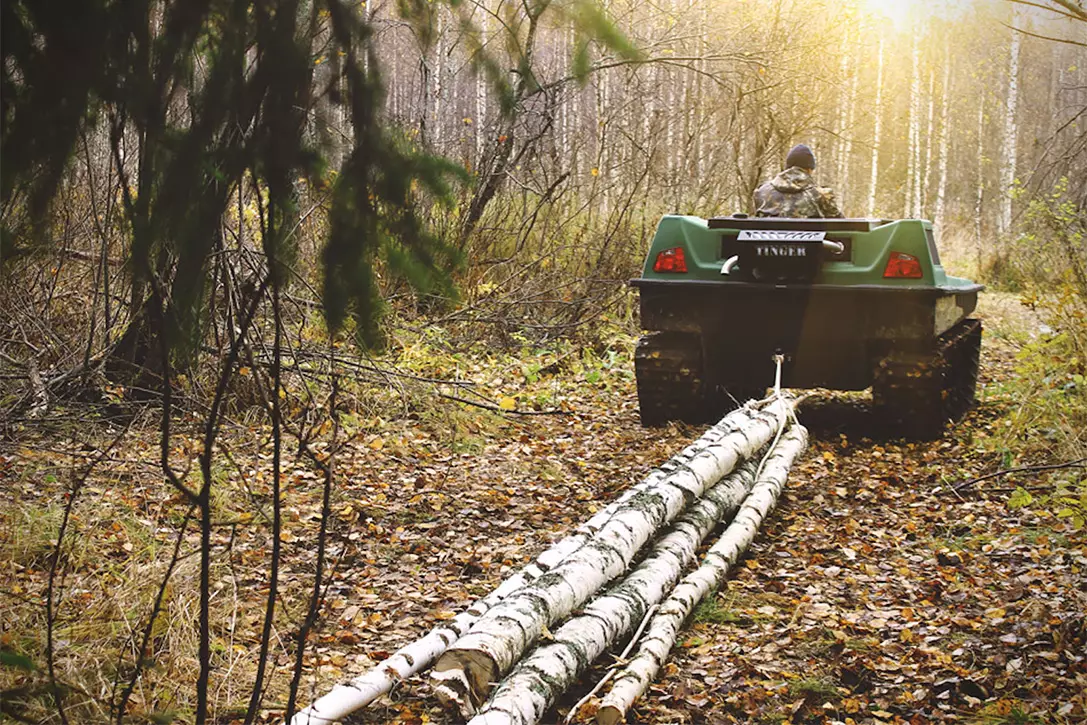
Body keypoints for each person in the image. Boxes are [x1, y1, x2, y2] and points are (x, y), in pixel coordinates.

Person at [753, 144, 844, 219]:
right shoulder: (821, 195)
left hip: (767, 241)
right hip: (809, 241)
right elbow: (842, 226)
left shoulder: (762, 191)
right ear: (809, 169)